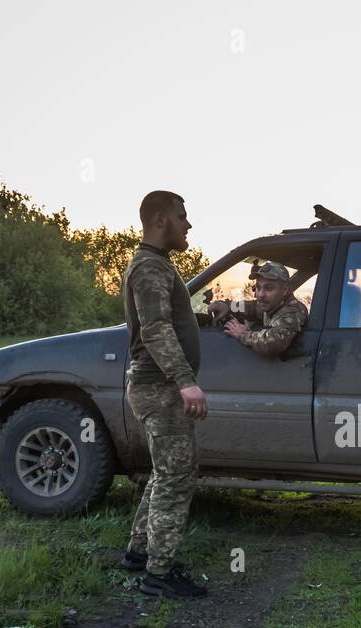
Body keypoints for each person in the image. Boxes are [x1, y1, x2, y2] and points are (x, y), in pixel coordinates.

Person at [121, 190, 208, 599]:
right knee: (177, 477)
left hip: (158, 384)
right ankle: (160, 572)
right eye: (181, 216)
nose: (187, 224)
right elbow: (155, 328)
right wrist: (185, 380)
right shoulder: (150, 267)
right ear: (160, 221)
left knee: (164, 473)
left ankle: (141, 554)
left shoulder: (158, 266)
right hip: (160, 386)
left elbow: (170, 317)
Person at [206, 261, 307, 356]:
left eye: (269, 288)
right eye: (258, 288)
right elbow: (250, 307)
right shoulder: (271, 304)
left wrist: (244, 334)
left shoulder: (293, 311)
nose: (261, 295)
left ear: (285, 290)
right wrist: (226, 305)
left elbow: (273, 343)